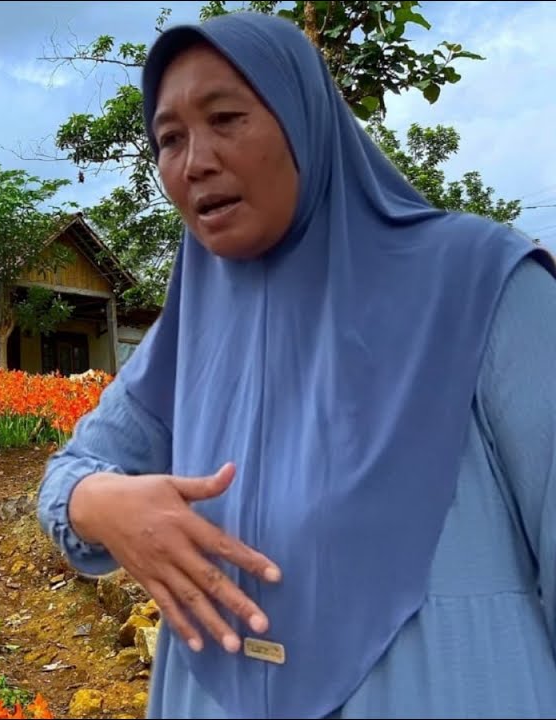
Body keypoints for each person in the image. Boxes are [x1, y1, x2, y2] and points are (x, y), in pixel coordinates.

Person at [37, 11, 556, 720]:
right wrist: (101, 505)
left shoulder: (484, 284)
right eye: (170, 139)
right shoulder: (192, 327)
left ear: (304, 120)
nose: (195, 162)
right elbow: (72, 473)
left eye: (226, 118)